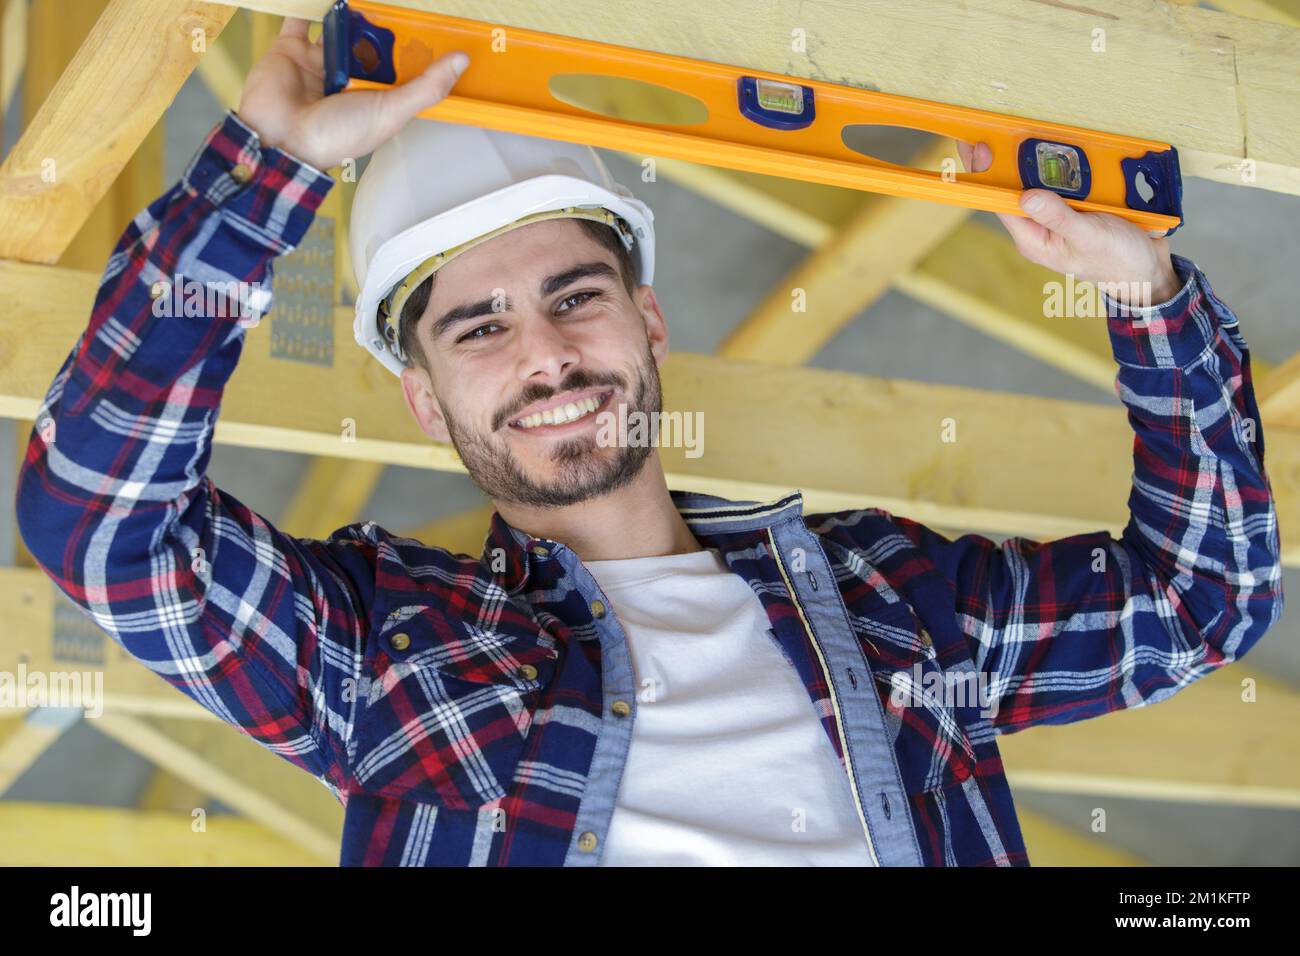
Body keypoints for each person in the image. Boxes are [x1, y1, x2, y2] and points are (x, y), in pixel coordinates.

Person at [15, 17, 1282, 867]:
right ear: (423, 399)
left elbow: (1195, 603)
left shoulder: (897, 601)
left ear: (648, 317)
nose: (544, 356)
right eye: (477, 328)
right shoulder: (391, 653)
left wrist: (1147, 297)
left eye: (575, 295)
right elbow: (100, 522)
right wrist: (267, 169)